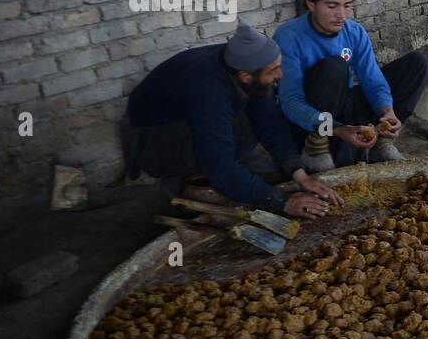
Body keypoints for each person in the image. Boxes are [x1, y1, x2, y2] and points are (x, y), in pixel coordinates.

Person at [123, 22, 343, 219]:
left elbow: (269, 122)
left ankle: (240, 179)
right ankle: (179, 187)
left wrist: (300, 175)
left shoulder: (247, 66)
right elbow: (219, 163)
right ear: (245, 76)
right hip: (154, 135)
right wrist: (281, 202)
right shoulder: (209, 91)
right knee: (217, 163)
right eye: (274, 70)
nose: (281, 75)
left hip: (195, 112)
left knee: (248, 125)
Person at [275, 0, 428, 173]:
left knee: (417, 64)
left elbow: (372, 80)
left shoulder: (354, 32)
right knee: (334, 66)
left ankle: (382, 141)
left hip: (343, 105)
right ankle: (316, 148)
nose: (341, 15)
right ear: (311, 3)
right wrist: (337, 129)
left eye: (347, 5)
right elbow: (290, 101)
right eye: (332, 6)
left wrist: (387, 111)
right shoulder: (288, 37)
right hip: (309, 120)